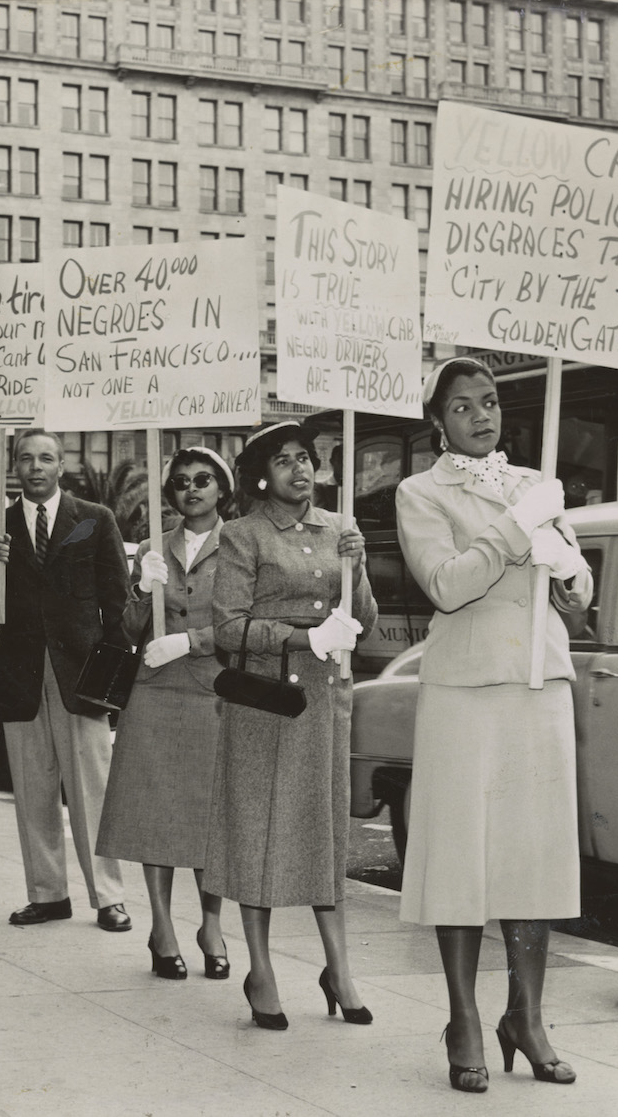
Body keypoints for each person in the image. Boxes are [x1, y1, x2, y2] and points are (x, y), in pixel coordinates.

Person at [394, 357, 593, 1093]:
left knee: (530, 855)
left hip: (537, 683)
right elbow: (445, 585)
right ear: (438, 420)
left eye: (492, 401)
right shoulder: (420, 493)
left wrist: (568, 569)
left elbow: (577, 590)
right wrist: (514, 531)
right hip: (465, 691)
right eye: (465, 406)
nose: (483, 415)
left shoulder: (533, 485)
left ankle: (528, 1016)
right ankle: (465, 1020)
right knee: (461, 859)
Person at [203, 421, 377, 1032]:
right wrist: (305, 635)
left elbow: (367, 621)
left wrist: (356, 571)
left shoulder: (340, 529)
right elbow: (228, 628)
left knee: (324, 835)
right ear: (260, 476)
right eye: (284, 462)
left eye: (306, 459)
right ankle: (261, 970)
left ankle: (339, 968)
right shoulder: (242, 535)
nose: (300, 471)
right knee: (258, 835)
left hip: (326, 705)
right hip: (267, 707)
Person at [0, 430, 133, 932]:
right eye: (25, 458)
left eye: (45, 458)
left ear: (62, 465)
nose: (35, 467)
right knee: (33, 790)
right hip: (21, 676)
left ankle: (108, 897)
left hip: (80, 676)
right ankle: (47, 893)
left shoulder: (95, 519)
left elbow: (117, 603)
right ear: (14, 467)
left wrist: (114, 679)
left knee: (92, 791)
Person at [97, 447, 234, 980]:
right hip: (154, 693)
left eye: (203, 480)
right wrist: (139, 587)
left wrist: (190, 642)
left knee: (208, 821)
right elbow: (127, 629)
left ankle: (211, 925)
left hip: (211, 691)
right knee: (156, 819)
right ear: (170, 494)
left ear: (222, 489)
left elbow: (243, 624)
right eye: (180, 482)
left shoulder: (241, 543)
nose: (191, 489)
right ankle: (161, 926)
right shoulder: (154, 546)